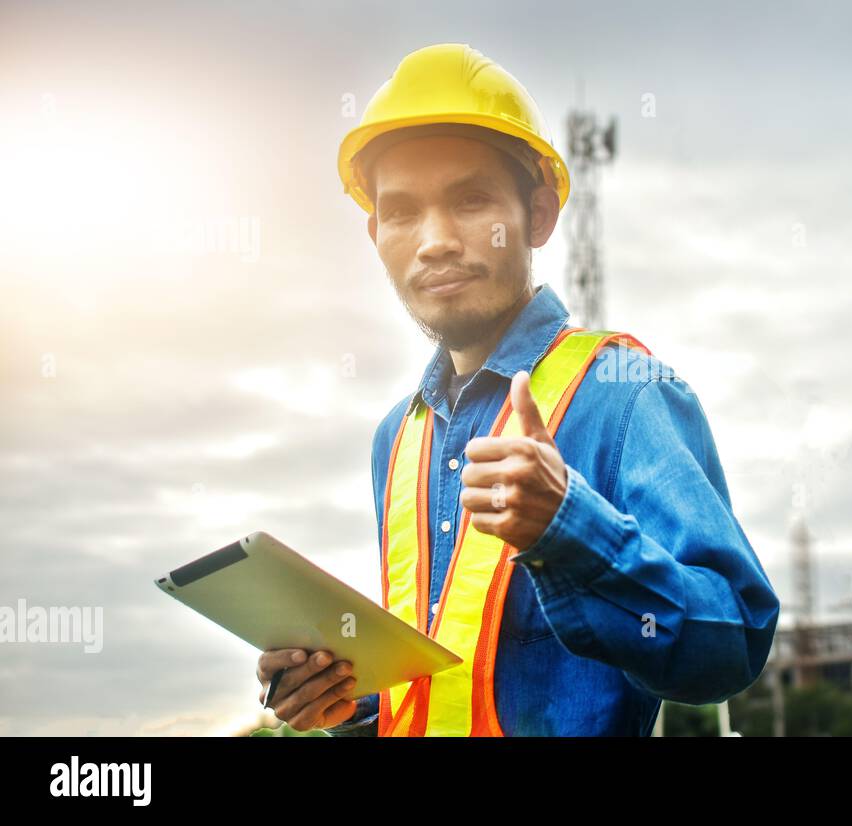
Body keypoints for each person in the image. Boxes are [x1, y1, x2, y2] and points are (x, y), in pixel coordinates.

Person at [256, 43, 779, 736]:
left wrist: (569, 528)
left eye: (471, 200)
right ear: (376, 231)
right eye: (403, 212)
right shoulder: (399, 435)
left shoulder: (625, 395)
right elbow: (457, 684)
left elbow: (733, 645)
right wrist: (343, 695)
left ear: (538, 215)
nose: (435, 241)